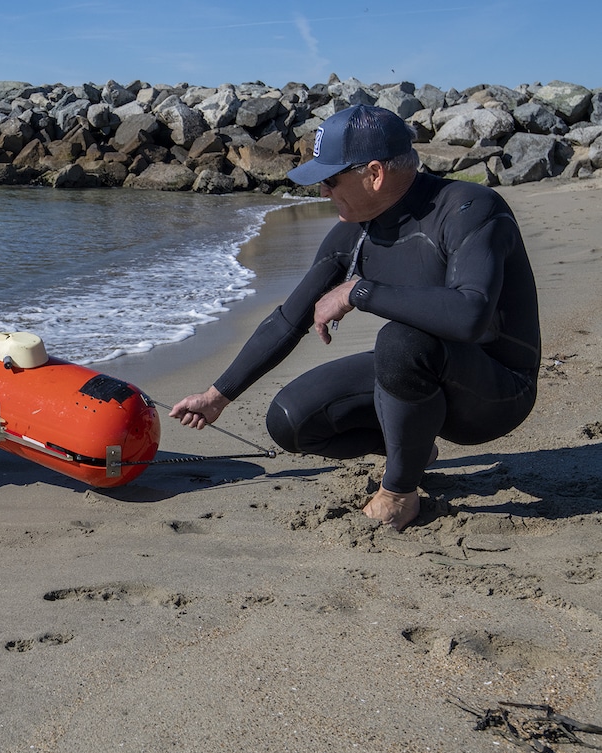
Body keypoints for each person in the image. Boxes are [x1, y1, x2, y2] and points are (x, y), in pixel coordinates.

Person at [169, 104, 540, 531]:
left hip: (496, 393)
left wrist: (359, 291)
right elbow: (288, 320)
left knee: (400, 341)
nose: (322, 192)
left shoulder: (470, 208)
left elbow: (470, 315)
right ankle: (414, 450)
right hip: (417, 373)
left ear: (374, 174)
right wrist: (216, 397)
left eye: (330, 180)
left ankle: (399, 493)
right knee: (290, 421)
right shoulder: (355, 231)